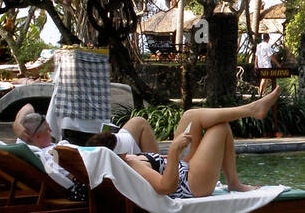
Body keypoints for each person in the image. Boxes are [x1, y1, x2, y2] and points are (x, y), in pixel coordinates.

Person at [105, 85, 281, 198]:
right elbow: (165, 187)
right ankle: (251, 110)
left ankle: (252, 109)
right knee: (220, 128)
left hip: (181, 169)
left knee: (191, 115)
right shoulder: (130, 165)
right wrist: (173, 152)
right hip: (191, 184)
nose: (124, 149)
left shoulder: (128, 158)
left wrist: (169, 158)